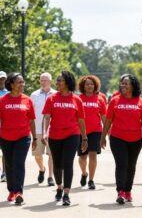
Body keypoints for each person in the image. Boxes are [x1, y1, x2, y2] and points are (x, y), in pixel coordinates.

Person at [100, 74, 142, 204]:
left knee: (131, 166)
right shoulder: (115, 100)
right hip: (117, 138)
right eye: (122, 83)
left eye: (126, 84)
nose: (123, 86)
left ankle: (128, 191)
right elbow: (108, 120)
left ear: (133, 86)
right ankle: (120, 191)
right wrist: (103, 136)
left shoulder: (141, 101)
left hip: (135, 139)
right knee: (122, 164)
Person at [42, 71, 87, 206]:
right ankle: (59, 187)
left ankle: (66, 193)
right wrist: (45, 132)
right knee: (57, 164)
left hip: (72, 135)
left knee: (68, 163)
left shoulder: (76, 99)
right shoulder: (51, 98)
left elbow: (80, 120)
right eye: (57, 81)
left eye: (60, 81)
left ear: (67, 82)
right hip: (55, 135)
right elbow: (47, 117)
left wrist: (84, 138)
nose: (57, 83)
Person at [0, 72, 36, 205]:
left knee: (18, 163)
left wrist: (35, 138)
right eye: (19, 82)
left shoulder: (27, 100)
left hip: (23, 137)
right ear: (11, 84)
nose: (22, 84)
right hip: (6, 137)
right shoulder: (2, 100)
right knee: (9, 165)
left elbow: (32, 120)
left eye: (23, 82)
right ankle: (11, 190)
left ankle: (18, 192)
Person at [77, 75, 106, 190]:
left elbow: (104, 117)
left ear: (95, 86)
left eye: (91, 84)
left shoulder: (100, 99)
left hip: (95, 131)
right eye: (87, 84)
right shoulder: (78, 99)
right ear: (83, 86)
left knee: (93, 154)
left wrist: (107, 132)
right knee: (83, 157)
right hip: (80, 132)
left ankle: (91, 180)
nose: (89, 86)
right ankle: (84, 173)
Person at [30, 72, 56, 186]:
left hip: (52, 130)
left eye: (45, 80)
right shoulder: (34, 95)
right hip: (38, 130)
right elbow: (30, 113)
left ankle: (50, 177)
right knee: (37, 154)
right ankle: (42, 169)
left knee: (51, 154)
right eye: (41, 80)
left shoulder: (56, 94)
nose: (43, 82)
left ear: (50, 82)